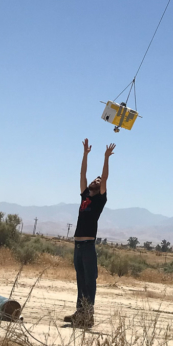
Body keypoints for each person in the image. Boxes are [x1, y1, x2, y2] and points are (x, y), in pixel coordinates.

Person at [63, 139, 114, 328]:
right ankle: (80, 313)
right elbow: (82, 173)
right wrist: (85, 154)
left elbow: (105, 178)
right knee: (81, 281)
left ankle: (88, 316)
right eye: (95, 179)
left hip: (88, 246)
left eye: (98, 181)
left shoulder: (100, 199)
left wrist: (106, 157)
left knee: (90, 282)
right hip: (77, 245)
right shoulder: (85, 195)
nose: (96, 180)